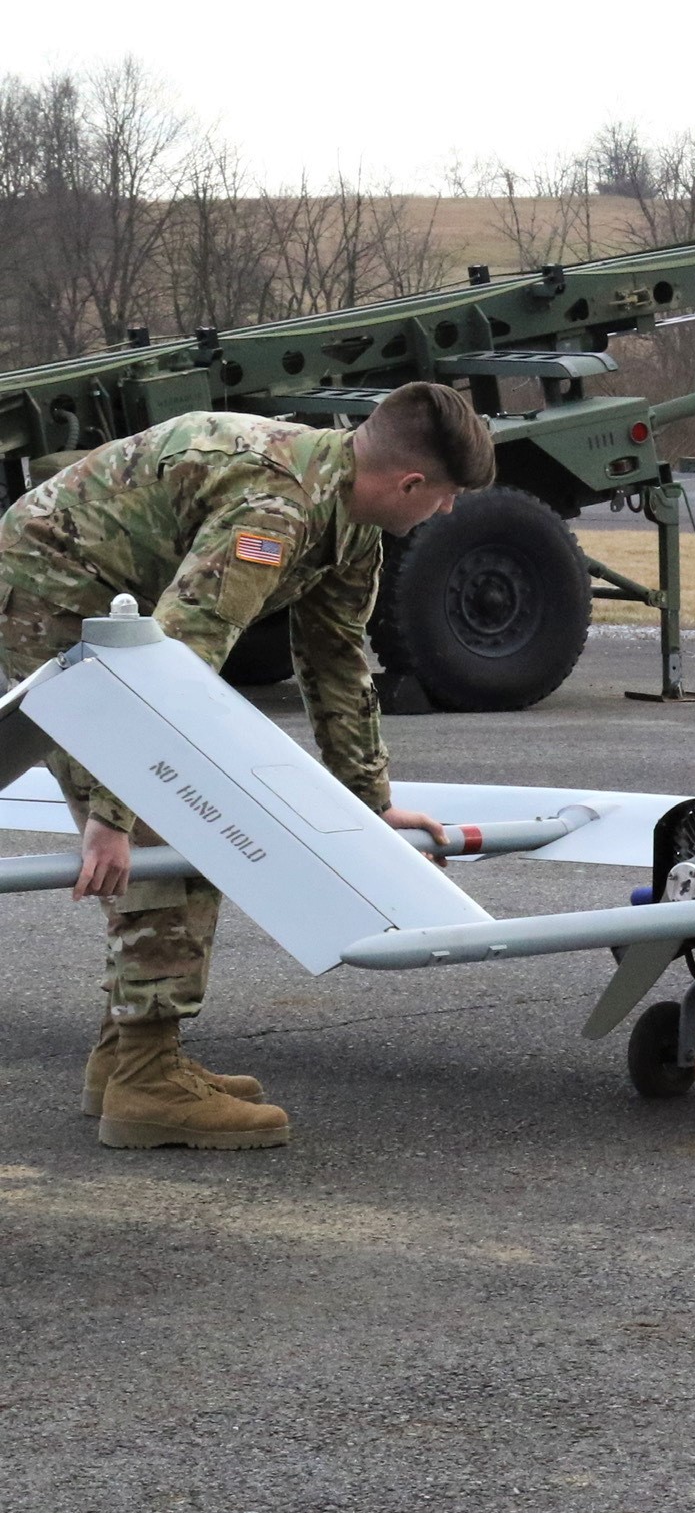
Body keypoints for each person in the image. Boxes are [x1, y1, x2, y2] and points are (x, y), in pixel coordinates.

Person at [0, 386, 493, 1149]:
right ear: (410, 486)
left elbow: (334, 661)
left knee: (179, 807)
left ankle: (124, 1054)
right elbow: (172, 659)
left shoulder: (349, 520)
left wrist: (370, 799)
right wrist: (112, 814)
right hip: (48, 590)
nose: (449, 514)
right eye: (449, 497)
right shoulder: (278, 508)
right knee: (186, 815)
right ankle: (147, 1082)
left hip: (116, 608)